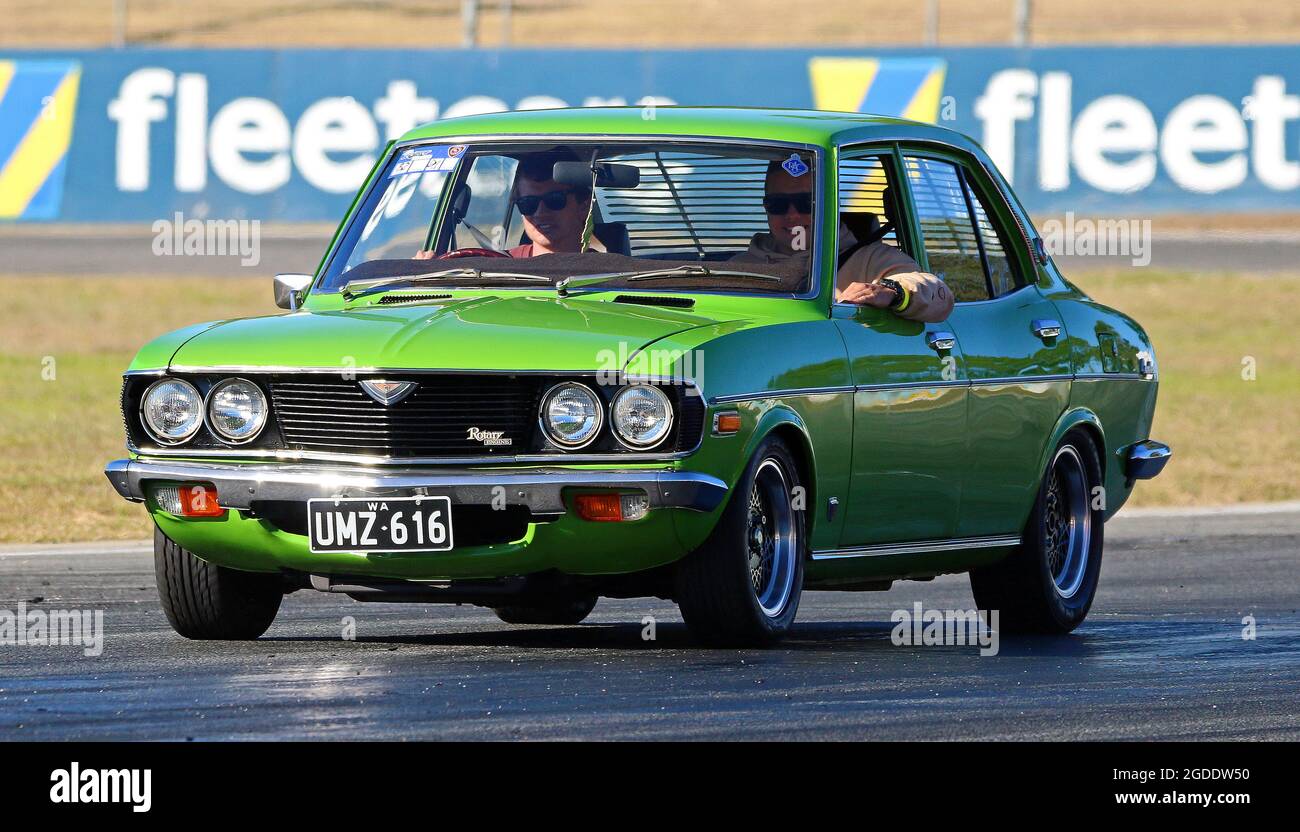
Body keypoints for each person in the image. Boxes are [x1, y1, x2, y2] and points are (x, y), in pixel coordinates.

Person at [733, 157, 953, 323]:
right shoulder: (737, 269)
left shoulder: (874, 261)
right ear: (766, 208)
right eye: (778, 204)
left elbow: (939, 295)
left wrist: (893, 292)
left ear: (829, 205)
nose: (792, 215)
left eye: (805, 203)